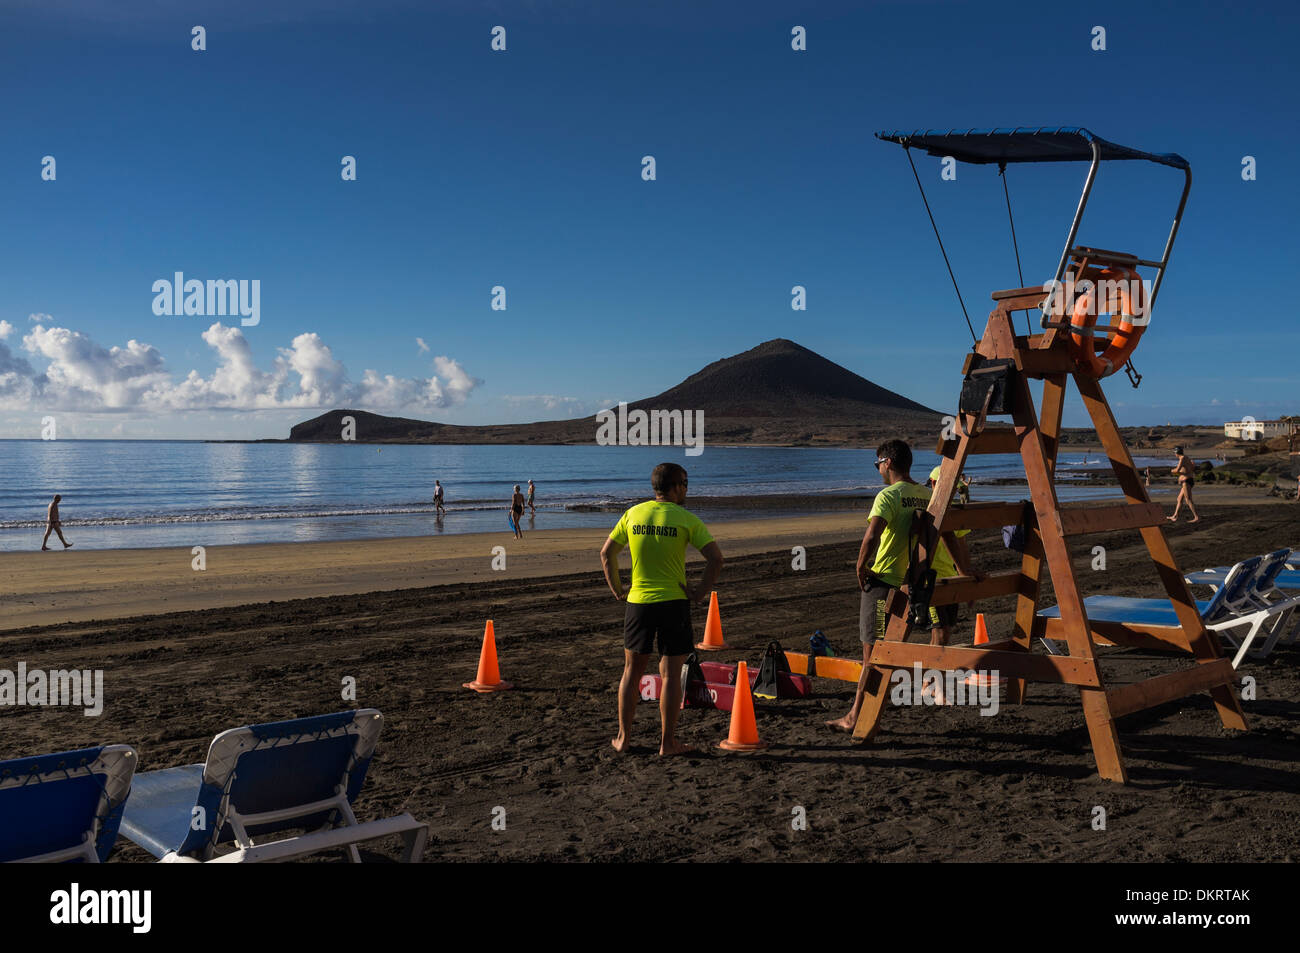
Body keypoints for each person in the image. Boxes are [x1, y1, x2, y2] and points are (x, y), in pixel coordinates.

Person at [826, 440, 962, 733]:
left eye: (877, 464)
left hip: (884, 581)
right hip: (910, 585)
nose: (878, 470)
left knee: (871, 655)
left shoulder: (888, 495)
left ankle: (855, 717)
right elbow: (951, 536)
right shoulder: (928, 494)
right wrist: (967, 571)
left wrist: (860, 566)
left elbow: (872, 534)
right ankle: (869, 713)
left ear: (887, 463)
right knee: (890, 651)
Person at [601, 463, 723, 756]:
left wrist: (618, 590)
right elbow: (716, 559)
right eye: (686, 483)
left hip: (639, 603)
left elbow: (606, 554)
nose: (687, 489)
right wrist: (699, 593)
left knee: (631, 672)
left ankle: (623, 738)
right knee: (670, 674)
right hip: (673, 604)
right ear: (677, 486)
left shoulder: (633, 514)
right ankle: (667, 743)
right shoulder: (686, 519)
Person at [1167, 446, 1200, 523]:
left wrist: (1172, 471)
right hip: (1187, 480)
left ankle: (1196, 517)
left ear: (1176, 453)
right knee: (1179, 498)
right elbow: (1189, 469)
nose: (1174, 455)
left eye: (1174, 453)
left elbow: (1177, 470)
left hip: (1187, 481)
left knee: (1188, 500)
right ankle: (1175, 516)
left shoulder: (1182, 458)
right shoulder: (1186, 458)